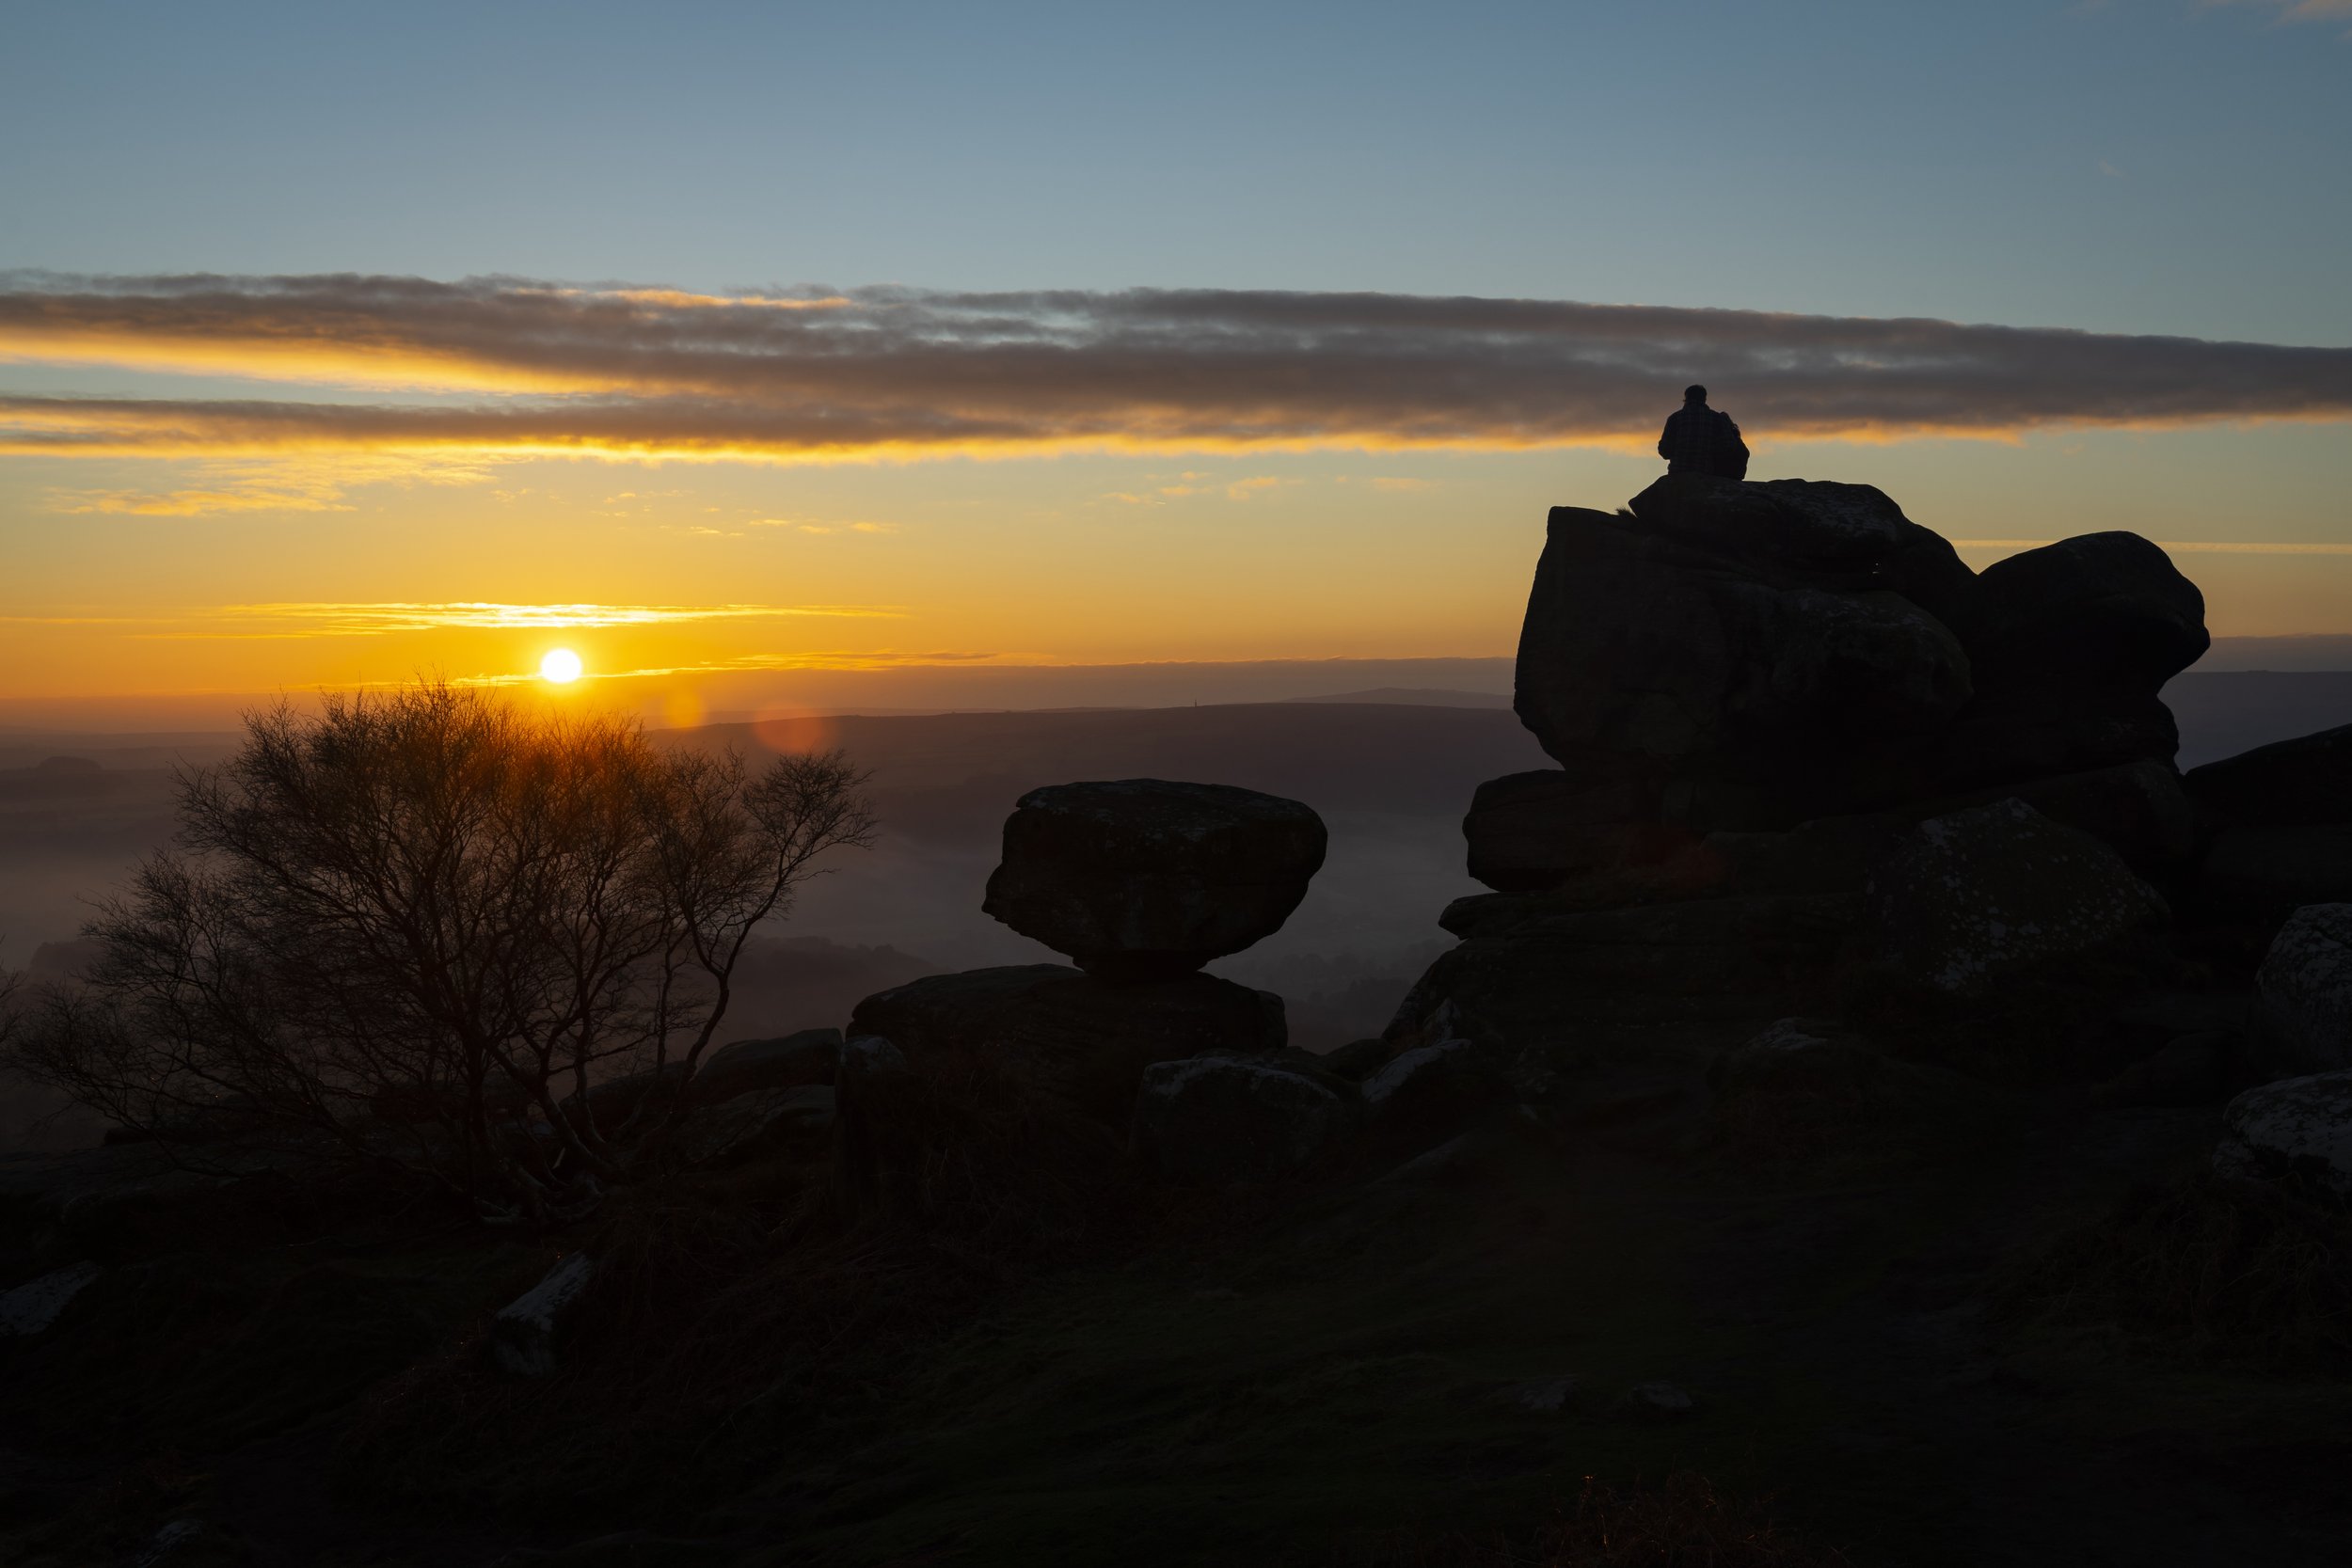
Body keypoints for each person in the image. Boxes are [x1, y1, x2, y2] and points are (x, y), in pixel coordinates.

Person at [1657, 384, 1749, 481]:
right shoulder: (1716, 418)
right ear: (1704, 399)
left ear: (1686, 398)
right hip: (1705, 473)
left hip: (1677, 474)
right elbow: (1729, 445)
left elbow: (1664, 450)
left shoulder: (1674, 418)